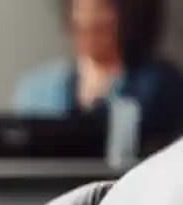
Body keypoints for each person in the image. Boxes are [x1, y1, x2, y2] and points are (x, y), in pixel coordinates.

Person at [15, 0, 183, 149]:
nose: (89, 18)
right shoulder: (38, 89)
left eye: (102, 7)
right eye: (80, 8)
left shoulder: (160, 85)